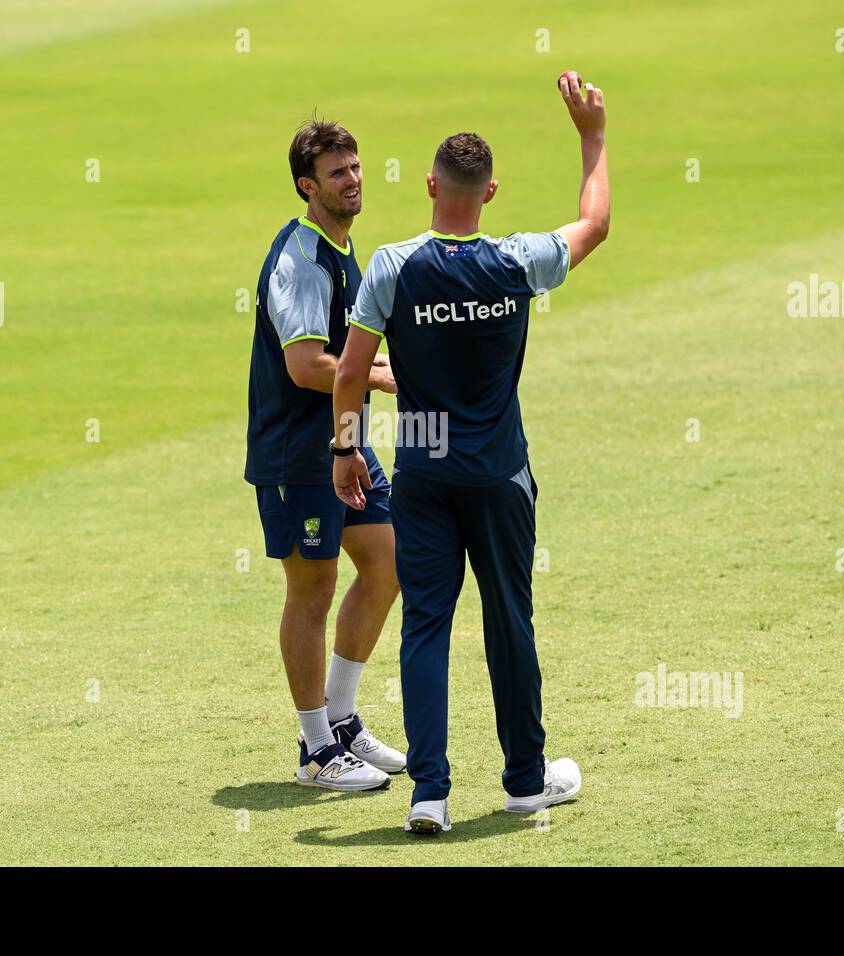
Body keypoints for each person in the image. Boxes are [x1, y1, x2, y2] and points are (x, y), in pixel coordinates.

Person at [330, 72, 610, 831]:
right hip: (497, 468)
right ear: (488, 194)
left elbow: (352, 372)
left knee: (426, 624)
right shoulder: (517, 262)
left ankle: (430, 794)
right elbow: (595, 224)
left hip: (421, 465)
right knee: (508, 621)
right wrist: (591, 137)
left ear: (430, 184)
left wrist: (344, 452)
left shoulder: (390, 265)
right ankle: (524, 781)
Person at [245, 117, 405, 791]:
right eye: (338, 173)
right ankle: (315, 750)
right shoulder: (301, 259)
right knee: (311, 589)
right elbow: (308, 366)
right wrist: (383, 374)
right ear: (307, 186)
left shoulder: (341, 248)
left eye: (357, 167)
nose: (353, 180)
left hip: (342, 443)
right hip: (298, 456)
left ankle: (341, 720)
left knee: (388, 561)